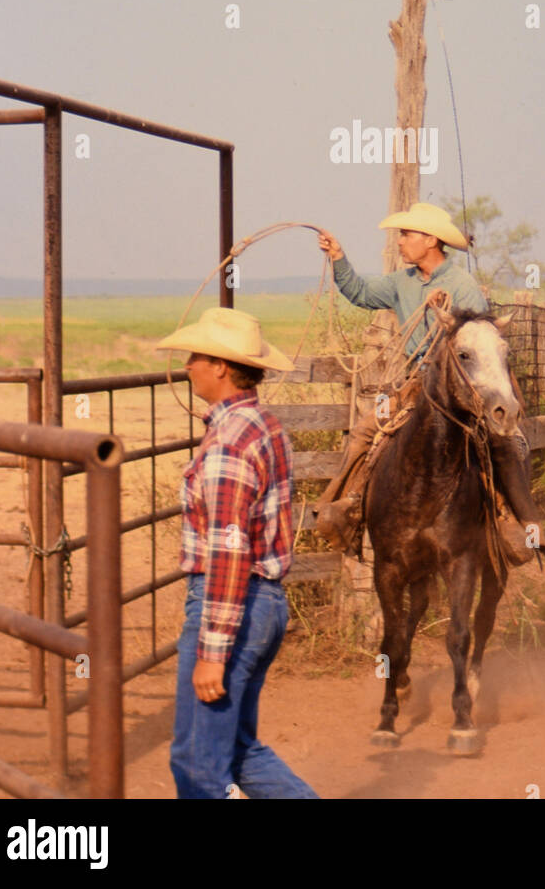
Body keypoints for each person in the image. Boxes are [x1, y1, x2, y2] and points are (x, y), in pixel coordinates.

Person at [314, 201, 543, 565]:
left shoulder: (462, 286)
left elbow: (480, 345)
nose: (400, 241)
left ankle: (517, 523)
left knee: (501, 446)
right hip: (414, 388)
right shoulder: (399, 283)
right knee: (366, 428)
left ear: (431, 240)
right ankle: (348, 509)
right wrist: (339, 258)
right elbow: (358, 291)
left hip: (461, 391)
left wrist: (447, 322)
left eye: (407, 234)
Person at [156, 306, 319, 800]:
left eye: (195, 357)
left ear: (221, 367)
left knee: (197, 762)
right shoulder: (264, 424)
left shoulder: (228, 442)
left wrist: (212, 650)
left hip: (229, 602)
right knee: (237, 749)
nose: (187, 365)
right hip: (264, 603)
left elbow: (228, 550)